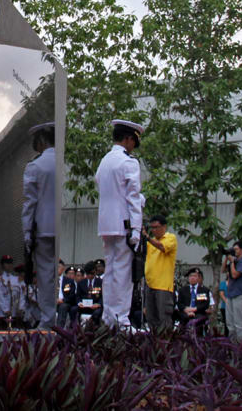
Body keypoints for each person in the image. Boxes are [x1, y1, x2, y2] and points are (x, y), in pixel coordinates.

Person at [96, 120, 145, 330]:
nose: (133, 146)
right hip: (124, 224)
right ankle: (121, 320)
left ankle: (109, 317)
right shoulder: (128, 162)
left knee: (110, 272)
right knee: (123, 275)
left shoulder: (105, 160)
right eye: (133, 141)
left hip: (106, 224)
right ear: (127, 139)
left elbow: (102, 185)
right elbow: (132, 197)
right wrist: (136, 228)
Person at [21, 121, 57, 329]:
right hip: (60, 226)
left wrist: (27, 232)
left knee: (45, 276)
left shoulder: (35, 166)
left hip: (42, 227)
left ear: (42, 140)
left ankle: (48, 320)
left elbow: (29, 203)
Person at [144, 214, 178, 331]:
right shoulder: (150, 242)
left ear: (164, 227)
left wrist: (147, 237)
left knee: (163, 317)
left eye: (156, 227)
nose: (154, 230)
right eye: (152, 228)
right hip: (150, 284)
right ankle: (154, 345)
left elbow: (163, 247)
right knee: (151, 317)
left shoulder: (170, 238)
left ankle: (165, 345)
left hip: (163, 286)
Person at [224, 241, 242, 339]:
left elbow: (235, 275)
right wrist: (227, 257)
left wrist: (231, 262)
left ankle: (241, 345)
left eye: (236, 249)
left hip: (239, 294)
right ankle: (232, 346)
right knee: (230, 323)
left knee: (239, 322)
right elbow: (223, 270)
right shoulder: (234, 261)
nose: (234, 251)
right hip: (230, 294)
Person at [176, 267, 212, 335]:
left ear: (198, 278)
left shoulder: (204, 290)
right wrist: (186, 309)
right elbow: (179, 303)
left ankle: (198, 340)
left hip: (198, 313)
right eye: (190, 276)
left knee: (199, 320)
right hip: (185, 313)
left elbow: (205, 304)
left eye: (194, 276)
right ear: (188, 278)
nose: (192, 278)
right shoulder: (182, 290)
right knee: (183, 318)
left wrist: (194, 309)